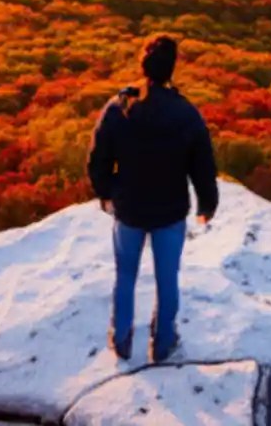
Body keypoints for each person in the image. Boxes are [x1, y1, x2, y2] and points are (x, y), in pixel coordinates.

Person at [87, 35, 219, 362]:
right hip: (169, 211)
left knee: (126, 276)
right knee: (166, 279)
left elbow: (97, 157)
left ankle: (121, 341)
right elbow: (202, 165)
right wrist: (207, 205)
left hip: (129, 208)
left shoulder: (119, 107)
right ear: (171, 68)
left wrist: (106, 193)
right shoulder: (186, 113)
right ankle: (162, 344)